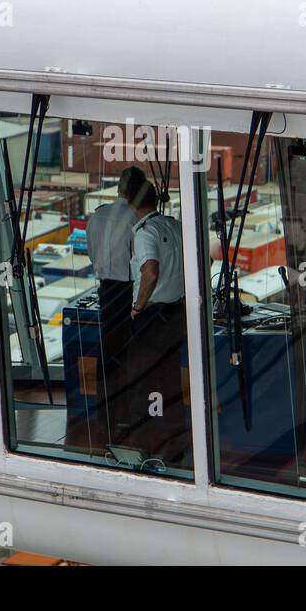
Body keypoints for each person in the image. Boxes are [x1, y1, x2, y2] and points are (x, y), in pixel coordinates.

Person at [123, 180, 187, 460]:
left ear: (132, 204)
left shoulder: (144, 233)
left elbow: (150, 271)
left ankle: (139, 448)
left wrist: (138, 306)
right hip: (176, 312)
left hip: (151, 316)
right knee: (169, 382)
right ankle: (173, 445)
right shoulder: (175, 226)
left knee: (141, 381)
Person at [85, 166, 146, 444]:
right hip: (127, 291)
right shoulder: (136, 220)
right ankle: (130, 416)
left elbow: (90, 253)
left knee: (107, 354)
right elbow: (143, 262)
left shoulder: (97, 216)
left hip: (106, 290)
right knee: (131, 353)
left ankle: (105, 417)